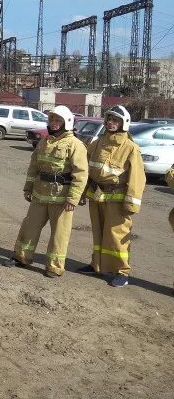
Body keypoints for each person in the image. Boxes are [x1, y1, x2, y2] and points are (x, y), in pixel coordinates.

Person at [3, 106, 88, 278]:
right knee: (29, 227)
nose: (54, 123)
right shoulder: (44, 142)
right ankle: (21, 257)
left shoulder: (75, 145)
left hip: (62, 198)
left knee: (59, 234)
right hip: (40, 194)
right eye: (52, 120)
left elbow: (81, 174)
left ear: (67, 123)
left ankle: (54, 267)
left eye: (58, 121)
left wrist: (72, 199)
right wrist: (28, 188)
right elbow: (33, 167)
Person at [77, 105, 145, 287]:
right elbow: (87, 171)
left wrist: (131, 205)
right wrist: (81, 193)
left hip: (117, 200)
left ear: (124, 123)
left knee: (116, 236)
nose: (110, 123)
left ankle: (122, 272)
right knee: (98, 234)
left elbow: (137, 178)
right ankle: (96, 265)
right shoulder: (97, 143)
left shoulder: (131, 148)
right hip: (97, 196)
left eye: (115, 120)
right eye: (109, 119)